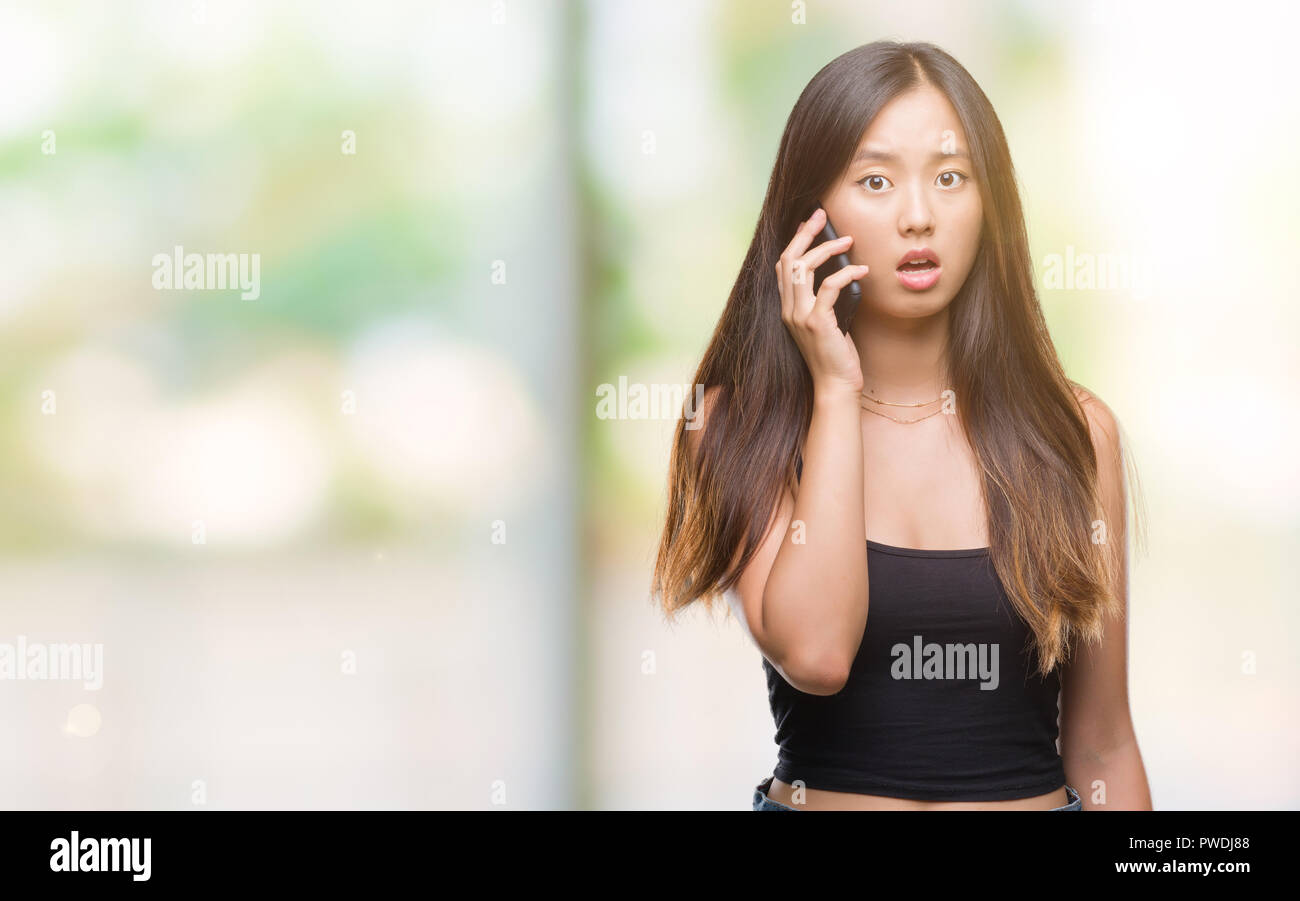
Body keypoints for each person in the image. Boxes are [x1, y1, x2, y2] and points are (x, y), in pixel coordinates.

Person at [650, 40, 1152, 811]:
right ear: (811, 215)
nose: (918, 216)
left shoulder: (1075, 435)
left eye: (950, 178)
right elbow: (817, 654)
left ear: (990, 204)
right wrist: (835, 391)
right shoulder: (738, 424)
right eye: (876, 180)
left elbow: (1103, 743)